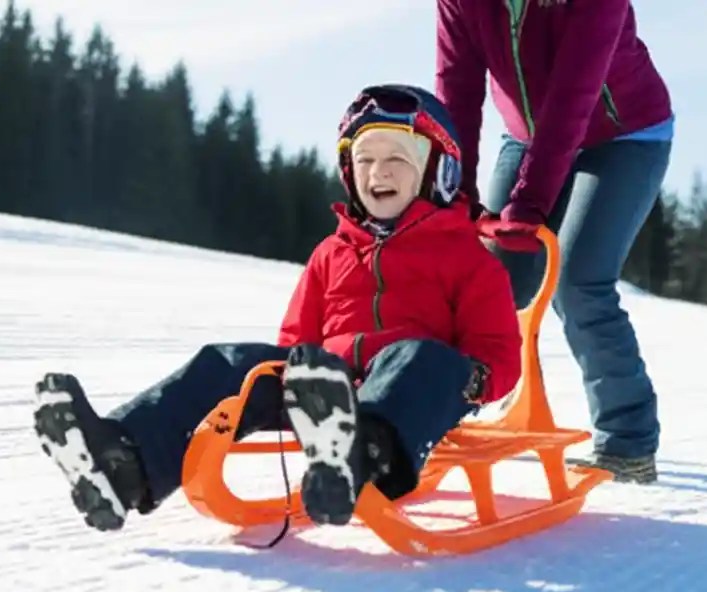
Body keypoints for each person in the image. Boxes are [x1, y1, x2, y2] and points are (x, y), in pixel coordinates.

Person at [32, 84, 523, 532]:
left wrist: (467, 378)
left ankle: (356, 456)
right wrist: (302, 380)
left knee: (417, 356)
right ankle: (122, 462)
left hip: (414, 396)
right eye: (365, 159)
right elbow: (295, 344)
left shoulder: (467, 260)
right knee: (230, 363)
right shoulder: (330, 254)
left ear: (439, 171)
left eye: (398, 158)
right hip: (327, 396)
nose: (379, 172)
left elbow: (499, 357)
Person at [434, 0, 673, 483]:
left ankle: (627, 442)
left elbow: (574, 96)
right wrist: (454, 193)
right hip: (525, 138)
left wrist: (530, 202)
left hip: (623, 135)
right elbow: (457, 89)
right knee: (486, 279)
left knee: (579, 281)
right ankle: (431, 411)